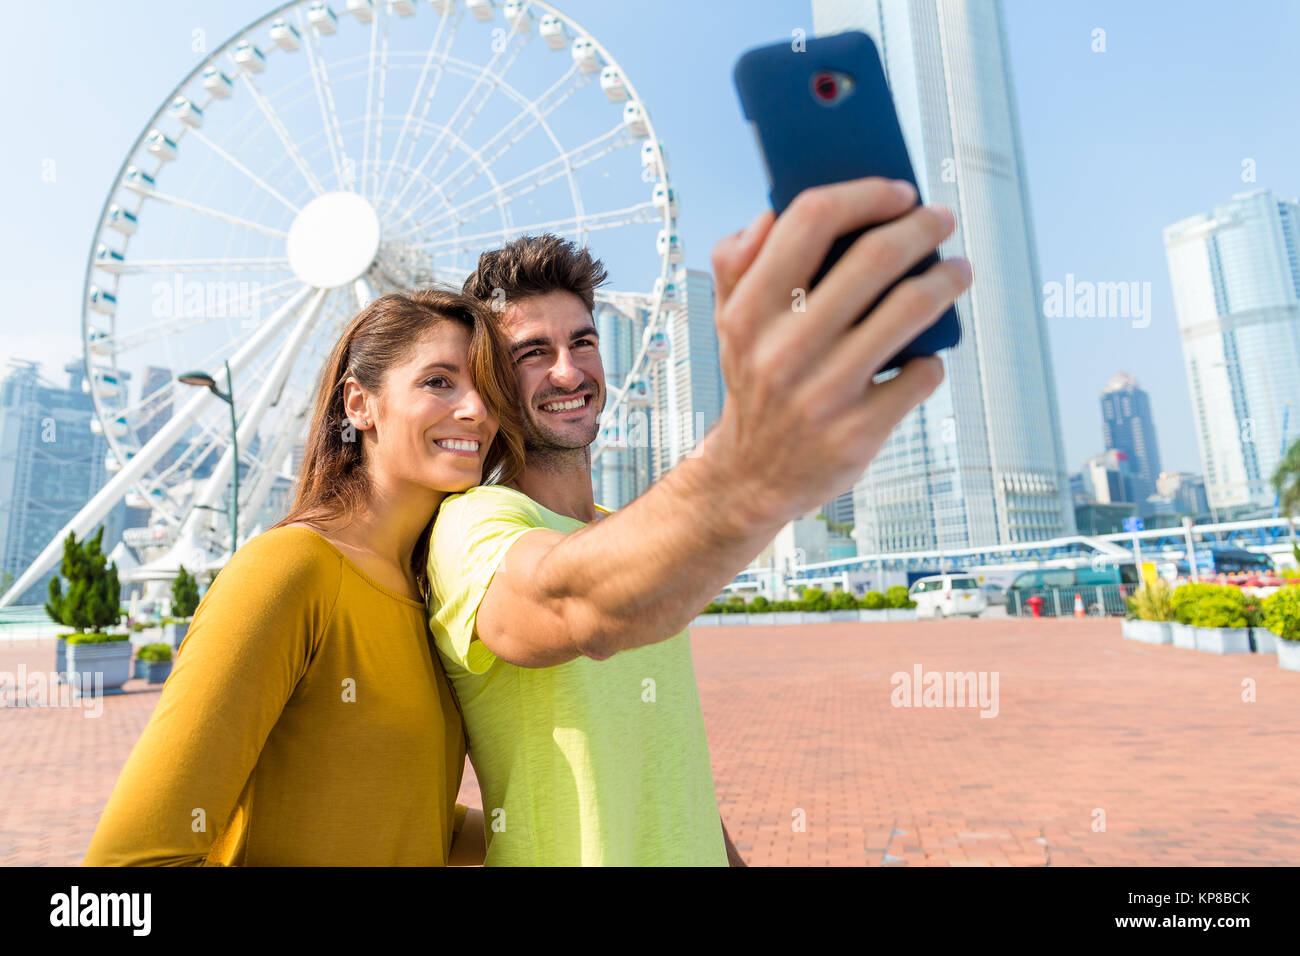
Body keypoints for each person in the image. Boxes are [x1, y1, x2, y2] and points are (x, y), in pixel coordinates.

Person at [427, 176, 971, 865]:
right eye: (532, 353)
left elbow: (666, 759)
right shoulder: (470, 526)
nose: (568, 372)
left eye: (584, 342)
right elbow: (571, 604)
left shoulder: (630, 533)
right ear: (490, 379)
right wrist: (751, 464)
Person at [84, 289, 525, 866]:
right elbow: (129, 866)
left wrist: (553, 825)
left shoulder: (429, 599)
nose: (477, 410)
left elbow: (394, 816)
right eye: (438, 381)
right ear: (359, 404)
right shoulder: (288, 570)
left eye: (488, 389)